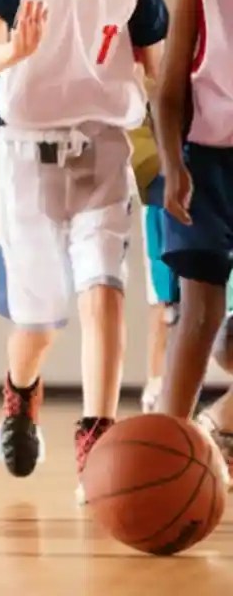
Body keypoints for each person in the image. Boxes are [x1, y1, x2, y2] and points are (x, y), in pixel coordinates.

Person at [0, 0, 168, 501]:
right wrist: (12, 52)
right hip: (28, 156)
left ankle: (98, 438)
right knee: (41, 321)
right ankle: (20, 392)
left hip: (106, 151)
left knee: (104, 293)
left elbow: (157, 75)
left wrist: (162, 141)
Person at [153, 0, 233, 477]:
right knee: (197, 312)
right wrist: (173, 165)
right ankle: (168, 454)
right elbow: (170, 90)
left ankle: (220, 424)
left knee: (227, 347)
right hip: (203, 161)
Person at [128, 103, 176, 414]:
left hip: (215, 173)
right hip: (162, 183)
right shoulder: (151, 62)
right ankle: (157, 384)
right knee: (164, 299)